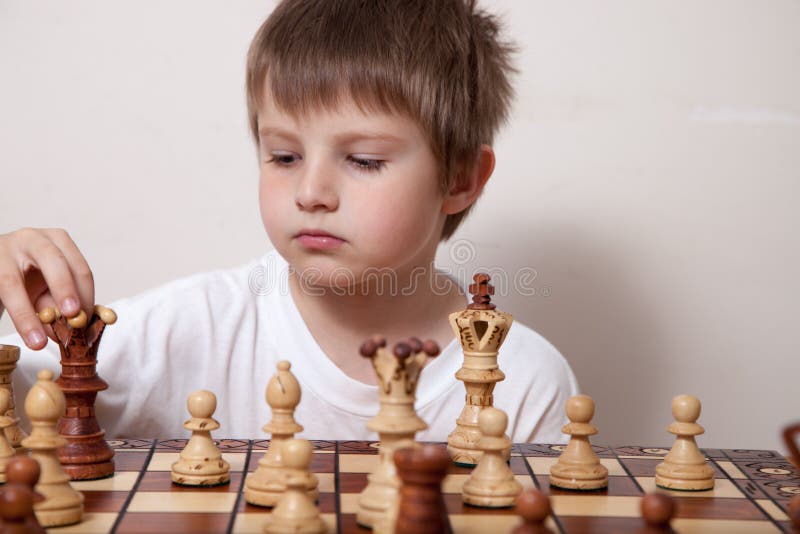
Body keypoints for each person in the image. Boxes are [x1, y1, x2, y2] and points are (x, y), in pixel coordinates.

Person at [0, 0, 578, 441]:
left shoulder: (525, 381)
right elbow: (19, 396)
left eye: (364, 160)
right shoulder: (193, 328)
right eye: (283, 156)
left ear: (459, 178)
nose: (310, 192)